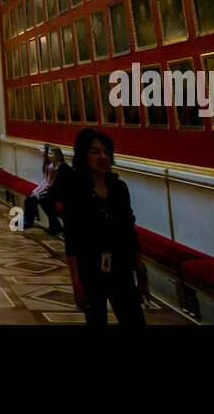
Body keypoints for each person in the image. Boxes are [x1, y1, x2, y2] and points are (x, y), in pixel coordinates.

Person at [48, 130, 147, 325]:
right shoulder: (75, 189)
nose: (103, 157)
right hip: (90, 267)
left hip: (121, 265)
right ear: (84, 155)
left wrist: (141, 274)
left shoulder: (119, 188)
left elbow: (129, 231)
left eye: (106, 152)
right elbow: (73, 239)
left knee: (134, 319)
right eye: (95, 152)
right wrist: (76, 282)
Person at [24, 145, 64, 235]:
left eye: (42, 149)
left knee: (39, 199)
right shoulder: (47, 164)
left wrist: (38, 193)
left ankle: (30, 220)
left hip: (55, 192)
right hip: (50, 190)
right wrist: (36, 191)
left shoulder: (52, 166)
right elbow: (44, 181)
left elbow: (49, 184)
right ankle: (28, 219)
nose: (40, 150)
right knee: (30, 197)